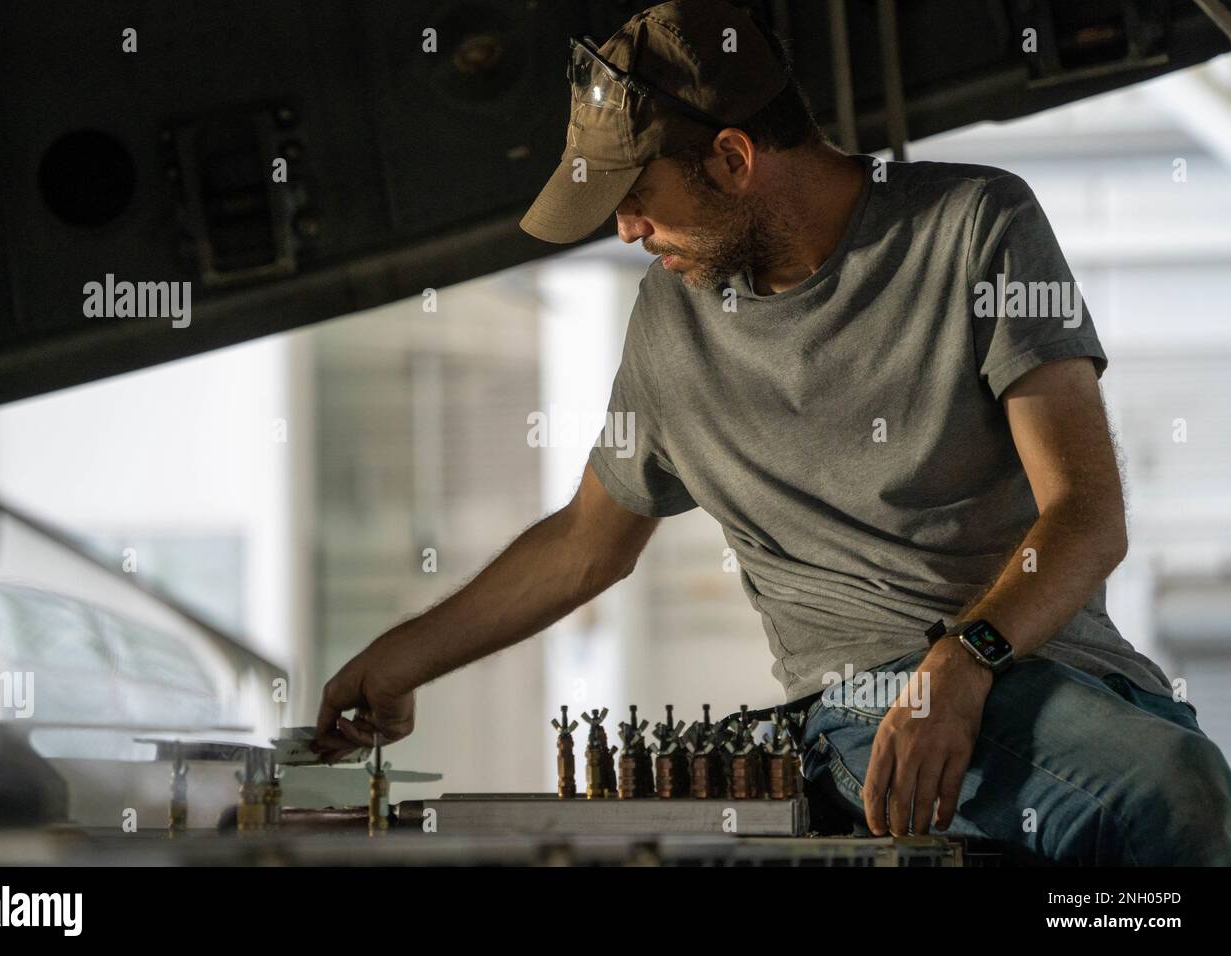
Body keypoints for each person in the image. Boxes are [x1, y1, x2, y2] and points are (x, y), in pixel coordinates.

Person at [316, 0, 1231, 864]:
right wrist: (399, 662)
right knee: (1166, 795)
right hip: (864, 705)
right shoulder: (669, 325)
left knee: (1180, 791)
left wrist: (965, 661)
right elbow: (585, 544)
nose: (627, 230)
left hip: (1065, 677)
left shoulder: (977, 228)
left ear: (731, 159)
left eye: (638, 196)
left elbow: (1087, 515)